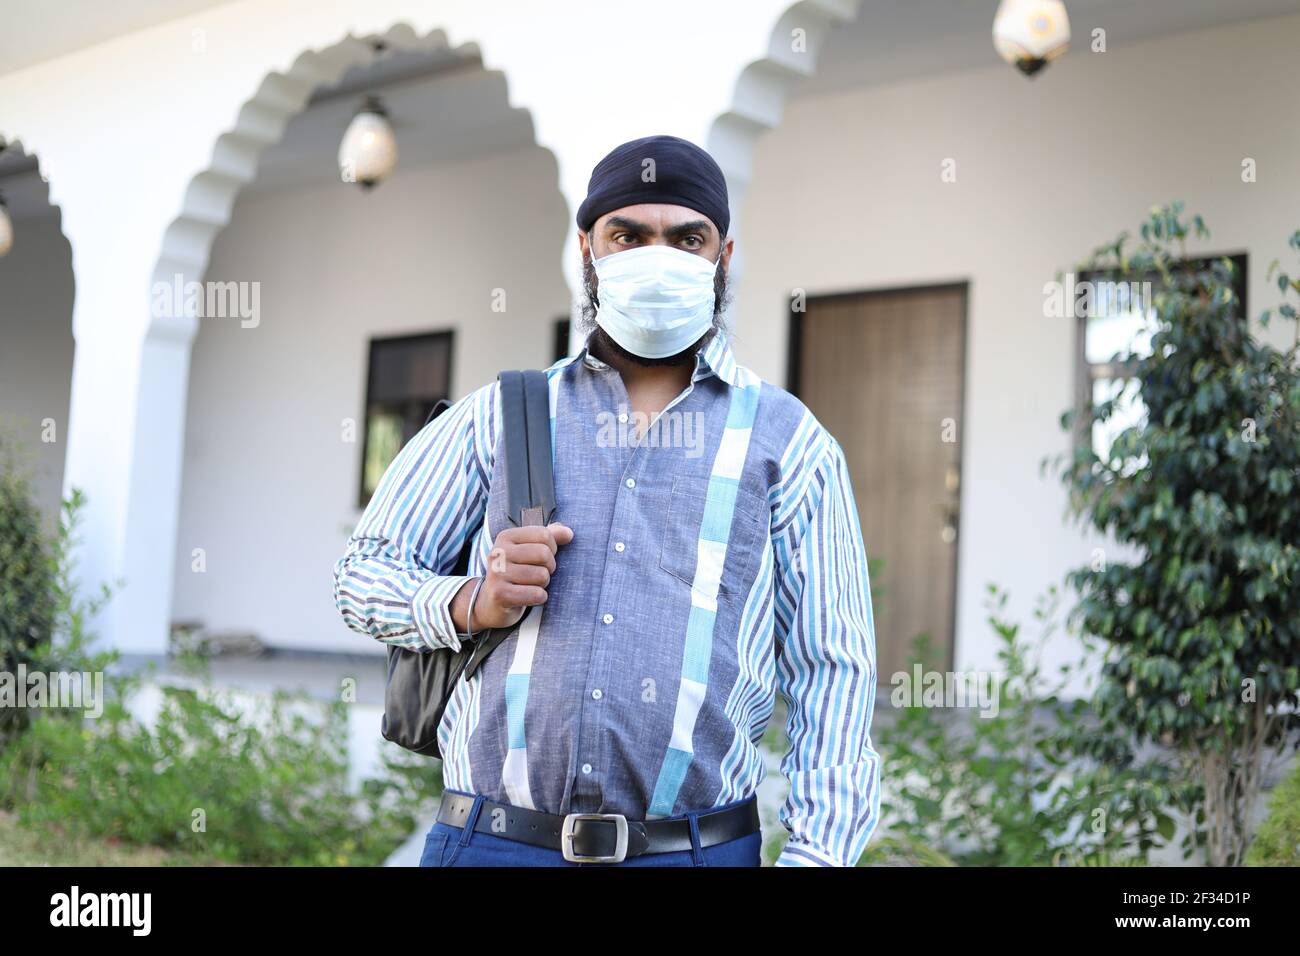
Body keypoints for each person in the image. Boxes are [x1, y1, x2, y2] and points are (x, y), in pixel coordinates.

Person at [334, 133, 880, 867]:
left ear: (723, 256)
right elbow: (361, 576)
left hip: (693, 851)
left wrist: (817, 859)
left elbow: (832, 670)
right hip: (494, 845)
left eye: (687, 237)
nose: (658, 259)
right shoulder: (500, 413)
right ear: (587, 248)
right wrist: (472, 601)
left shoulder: (791, 443)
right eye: (629, 235)